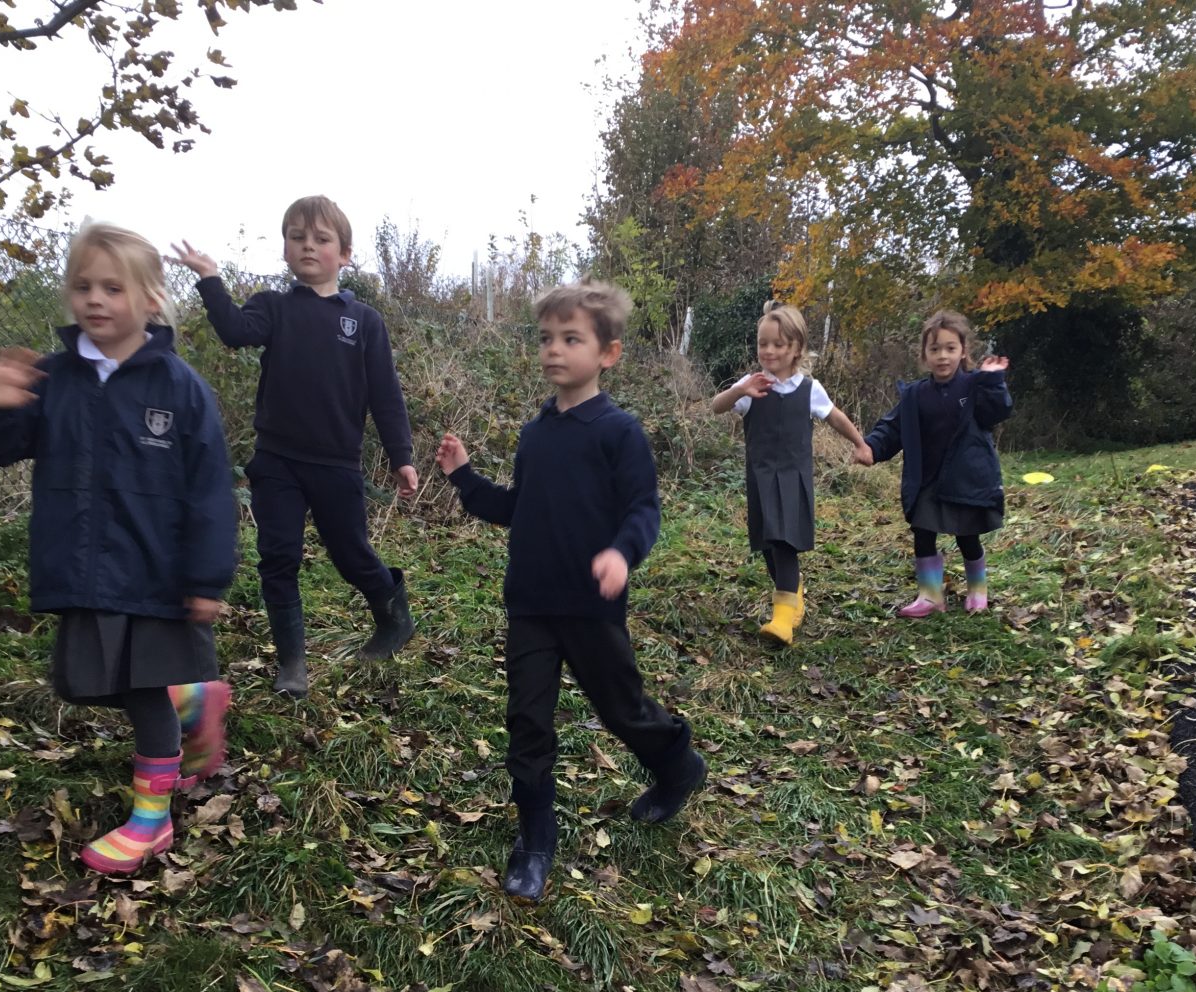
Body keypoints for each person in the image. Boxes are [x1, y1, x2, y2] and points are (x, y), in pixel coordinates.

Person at [0, 222, 237, 875]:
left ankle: (152, 821)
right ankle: (191, 700)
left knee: (140, 692)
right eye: (83, 286)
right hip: (83, 567)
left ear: (150, 299)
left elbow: (210, 490)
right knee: (81, 684)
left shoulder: (179, 387)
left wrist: (207, 577)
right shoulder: (54, 379)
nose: (95, 299)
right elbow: (2, 447)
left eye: (113, 287)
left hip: (158, 572)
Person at [434, 281, 707, 901]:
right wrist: (464, 477)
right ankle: (535, 838)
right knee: (527, 721)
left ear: (608, 354)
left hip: (591, 607)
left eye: (571, 339)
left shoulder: (619, 432)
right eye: (546, 339)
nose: (554, 350)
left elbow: (643, 509)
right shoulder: (535, 434)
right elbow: (517, 508)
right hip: (531, 602)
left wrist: (622, 552)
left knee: (622, 709)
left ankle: (677, 764)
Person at [170, 195, 418, 698]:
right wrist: (210, 279)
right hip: (277, 460)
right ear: (285, 248)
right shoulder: (273, 307)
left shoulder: (363, 321)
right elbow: (235, 331)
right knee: (277, 557)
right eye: (297, 237)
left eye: (321, 239)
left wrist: (402, 457)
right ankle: (292, 664)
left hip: (337, 464)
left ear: (344, 255)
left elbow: (385, 395)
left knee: (351, 554)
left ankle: (394, 616)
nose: (308, 246)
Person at [710, 301, 869, 644]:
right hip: (761, 478)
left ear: (796, 348)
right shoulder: (752, 384)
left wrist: (860, 443)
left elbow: (835, 417)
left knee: (785, 544)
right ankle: (793, 592)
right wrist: (739, 390)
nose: (768, 351)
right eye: (762, 343)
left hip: (794, 479)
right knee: (768, 545)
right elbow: (716, 406)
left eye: (778, 344)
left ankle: (782, 621)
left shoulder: (810, 389)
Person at [860, 309, 1012, 616]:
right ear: (924, 355)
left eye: (950, 348)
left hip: (965, 479)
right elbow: (892, 428)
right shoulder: (915, 395)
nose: (943, 356)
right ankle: (930, 597)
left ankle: (977, 592)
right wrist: (871, 448)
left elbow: (996, 412)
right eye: (935, 349)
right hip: (927, 480)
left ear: (963, 352)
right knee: (923, 534)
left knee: (967, 537)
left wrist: (993, 381)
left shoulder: (975, 386)